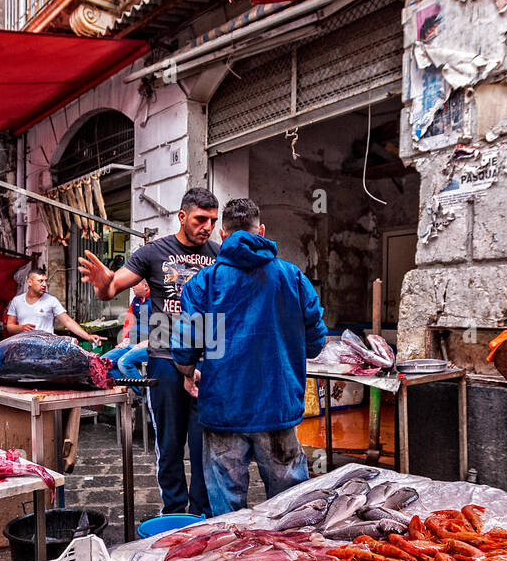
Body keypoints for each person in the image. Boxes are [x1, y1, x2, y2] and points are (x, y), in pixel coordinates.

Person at [172, 198, 326, 517]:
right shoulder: (292, 277)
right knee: (289, 514)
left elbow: (183, 349)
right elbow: (315, 343)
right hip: (278, 409)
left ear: (223, 235)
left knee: (227, 520)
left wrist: (189, 372)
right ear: (262, 230)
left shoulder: (203, 283)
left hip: (223, 409)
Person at [79, 187, 219, 515]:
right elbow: (113, 286)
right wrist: (103, 284)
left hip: (208, 360)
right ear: (182, 217)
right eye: (201, 219)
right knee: (170, 442)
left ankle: (202, 515)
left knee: (205, 445)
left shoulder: (218, 253)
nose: (207, 227)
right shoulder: (154, 252)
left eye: (212, 220)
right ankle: (172, 512)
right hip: (165, 358)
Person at [6, 270, 103, 344]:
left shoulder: (51, 300)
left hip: (47, 345)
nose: (44, 284)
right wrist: (21, 327)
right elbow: (9, 326)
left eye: (45, 281)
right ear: (30, 282)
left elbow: (68, 322)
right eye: (40, 281)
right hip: (24, 346)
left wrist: (88, 337)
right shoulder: (17, 301)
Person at [102, 279, 151, 383]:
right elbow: (128, 322)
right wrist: (126, 338)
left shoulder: (156, 301)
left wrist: (150, 341)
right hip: (132, 344)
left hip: (150, 346)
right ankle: (129, 385)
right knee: (102, 363)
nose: (132, 287)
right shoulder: (135, 301)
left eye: (135, 284)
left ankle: (142, 395)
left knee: (124, 363)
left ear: (145, 286)